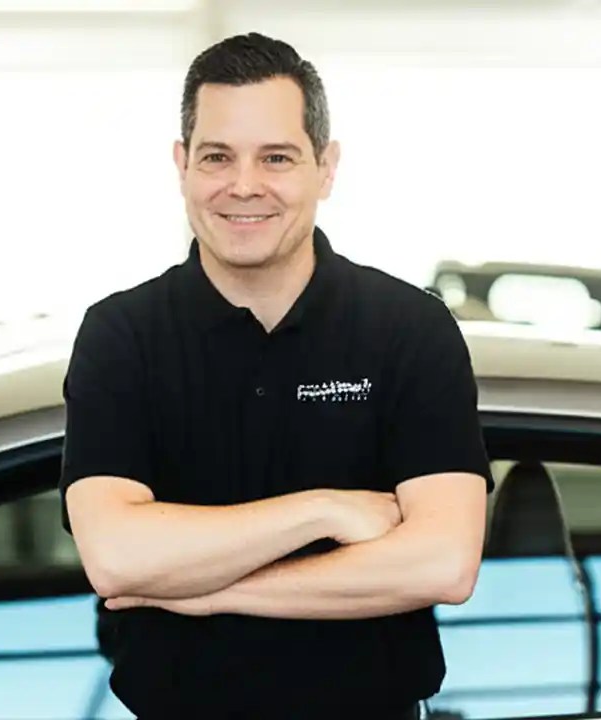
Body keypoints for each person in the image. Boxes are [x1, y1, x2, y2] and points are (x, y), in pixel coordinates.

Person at [60, 33, 493, 720]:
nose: (243, 186)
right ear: (181, 165)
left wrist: (207, 589)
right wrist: (321, 509)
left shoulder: (409, 329)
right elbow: (117, 558)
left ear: (326, 167)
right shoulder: (123, 335)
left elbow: (441, 562)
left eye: (277, 158)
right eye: (217, 157)